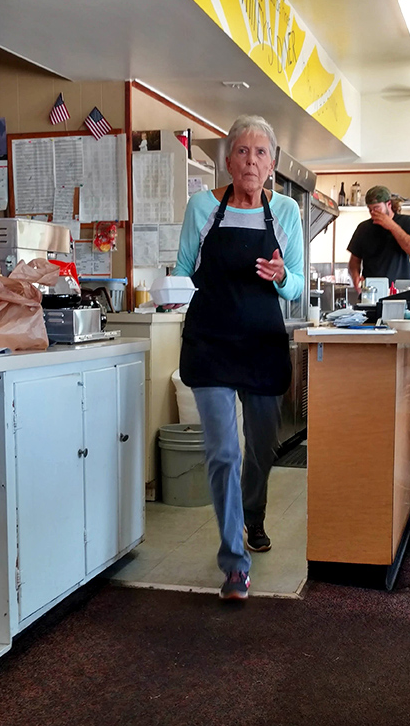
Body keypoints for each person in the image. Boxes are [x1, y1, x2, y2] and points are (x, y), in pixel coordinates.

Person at [173, 115, 304, 601]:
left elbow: (296, 285)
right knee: (224, 451)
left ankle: (254, 513)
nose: (251, 160)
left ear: (272, 164)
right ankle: (233, 562)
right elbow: (185, 268)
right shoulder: (203, 207)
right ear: (228, 160)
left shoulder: (286, 211)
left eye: (261, 153)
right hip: (211, 341)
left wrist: (279, 276)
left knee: (262, 448)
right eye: (243, 151)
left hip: (263, 342)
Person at [347, 185, 410, 292]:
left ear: (389, 204)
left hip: (400, 291)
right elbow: (354, 261)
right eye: (370, 209)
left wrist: (391, 226)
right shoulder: (363, 228)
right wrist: (355, 276)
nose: (373, 213)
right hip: (371, 291)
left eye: (377, 208)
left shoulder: (407, 222)